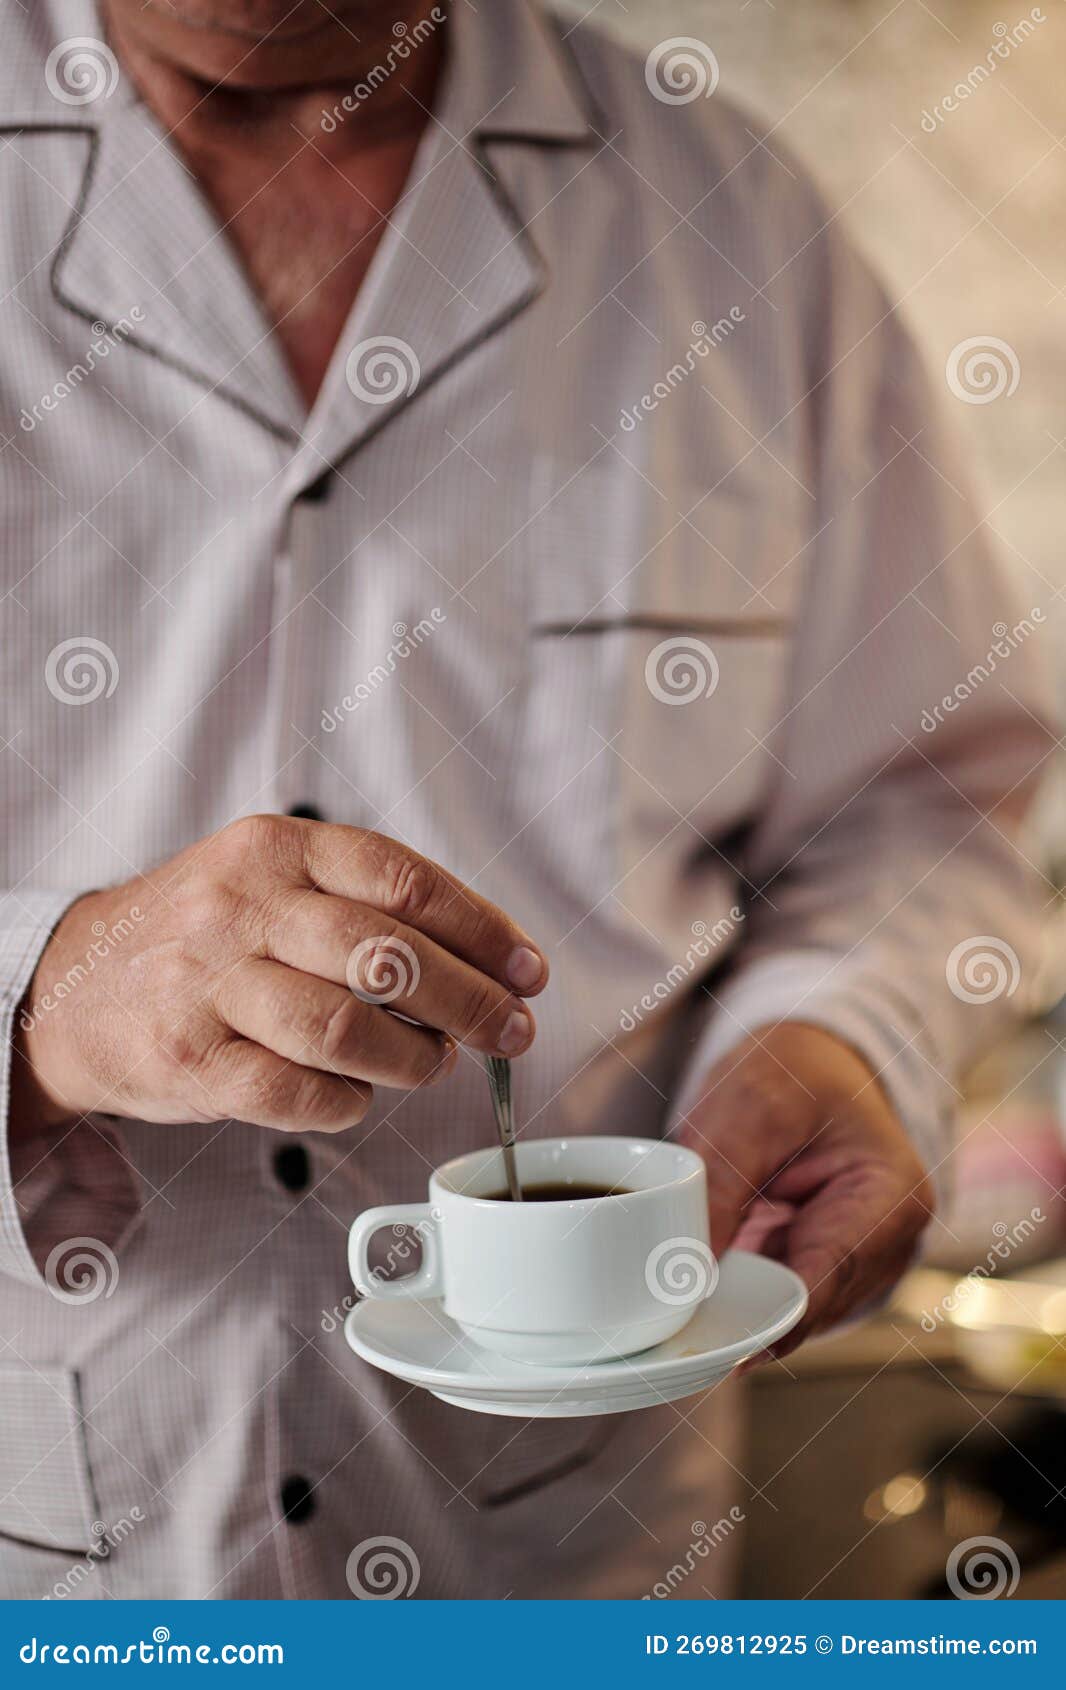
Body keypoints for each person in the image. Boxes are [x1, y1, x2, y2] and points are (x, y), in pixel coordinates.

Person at [0, 0, 1050, 1599]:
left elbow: (924, 799)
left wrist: (846, 1031)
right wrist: (46, 996)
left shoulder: (730, 226)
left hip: (569, 1553)